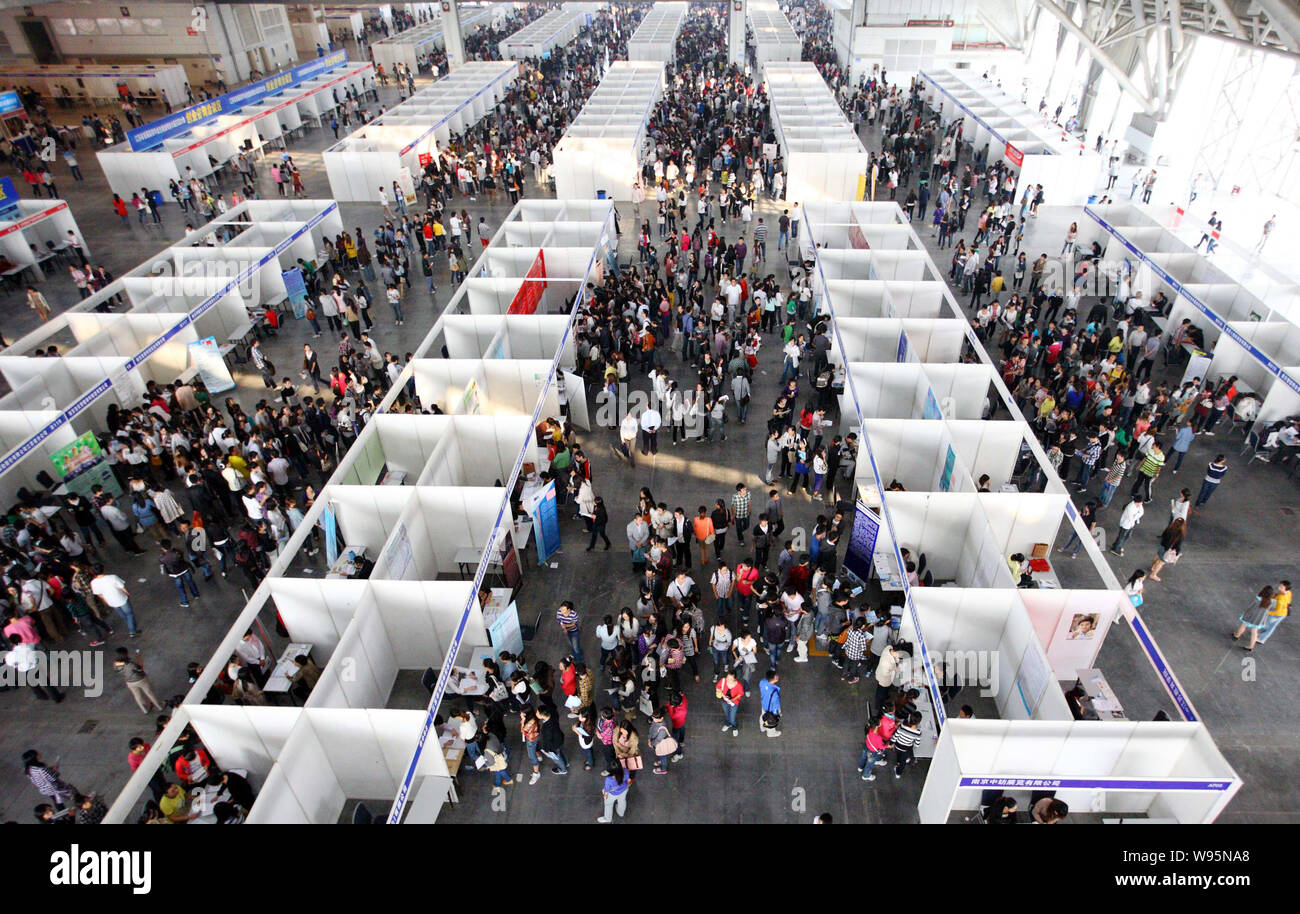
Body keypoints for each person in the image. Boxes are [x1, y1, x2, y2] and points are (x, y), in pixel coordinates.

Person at [1233, 585, 1276, 651]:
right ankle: (1251, 646)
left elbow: (1250, 607)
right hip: (1260, 619)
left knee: (1243, 625)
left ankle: (1237, 635)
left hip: (1251, 616)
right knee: (1254, 632)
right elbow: (1272, 609)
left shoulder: (1258, 599)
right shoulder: (1272, 602)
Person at [1258, 580, 1292, 645]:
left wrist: (1268, 612)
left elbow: (1277, 610)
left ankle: (1261, 638)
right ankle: (1260, 636)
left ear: (1285, 588)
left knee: (1268, 626)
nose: (1279, 587)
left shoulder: (1281, 599)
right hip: (1283, 613)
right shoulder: (1288, 593)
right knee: (1269, 625)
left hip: (1277, 615)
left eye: (1281, 587)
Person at [715, 669, 743, 736]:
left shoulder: (738, 685)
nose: (728, 680)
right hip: (724, 701)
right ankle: (728, 724)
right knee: (726, 713)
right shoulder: (723, 681)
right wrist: (724, 696)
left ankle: (734, 727)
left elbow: (740, 693)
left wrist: (733, 699)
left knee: (732, 717)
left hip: (734, 703)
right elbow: (718, 688)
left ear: (735, 679)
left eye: (730, 679)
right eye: (727, 678)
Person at [758, 668, 782, 738]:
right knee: (771, 719)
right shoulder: (774, 692)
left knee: (763, 715)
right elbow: (776, 705)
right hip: (771, 709)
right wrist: (778, 712)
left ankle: (762, 727)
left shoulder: (762, 682)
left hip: (764, 704)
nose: (777, 676)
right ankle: (771, 733)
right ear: (774, 679)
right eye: (776, 676)